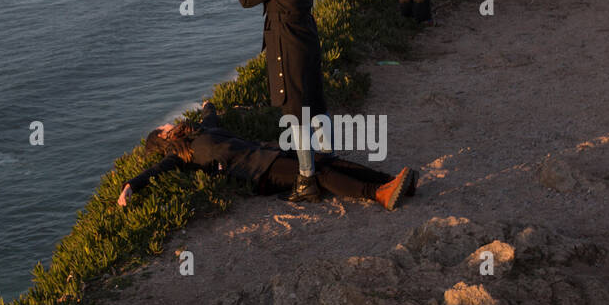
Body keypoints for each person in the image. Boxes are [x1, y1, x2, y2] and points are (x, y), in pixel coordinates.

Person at [117, 102, 414, 210]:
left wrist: (207, 103)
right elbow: (153, 173)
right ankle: (378, 194)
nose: (169, 123)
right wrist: (130, 186)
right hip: (259, 175)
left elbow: (210, 114)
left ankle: (391, 182)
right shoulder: (181, 157)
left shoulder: (199, 132)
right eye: (164, 127)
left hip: (268, 154)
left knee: (326, 160)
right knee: (316, 174)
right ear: (164, 138)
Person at [230, 0, 328, 201]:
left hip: (286, 45)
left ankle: (307, 179)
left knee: (294, 110)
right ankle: (327, 156)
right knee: (315, 100)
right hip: (306, 37)